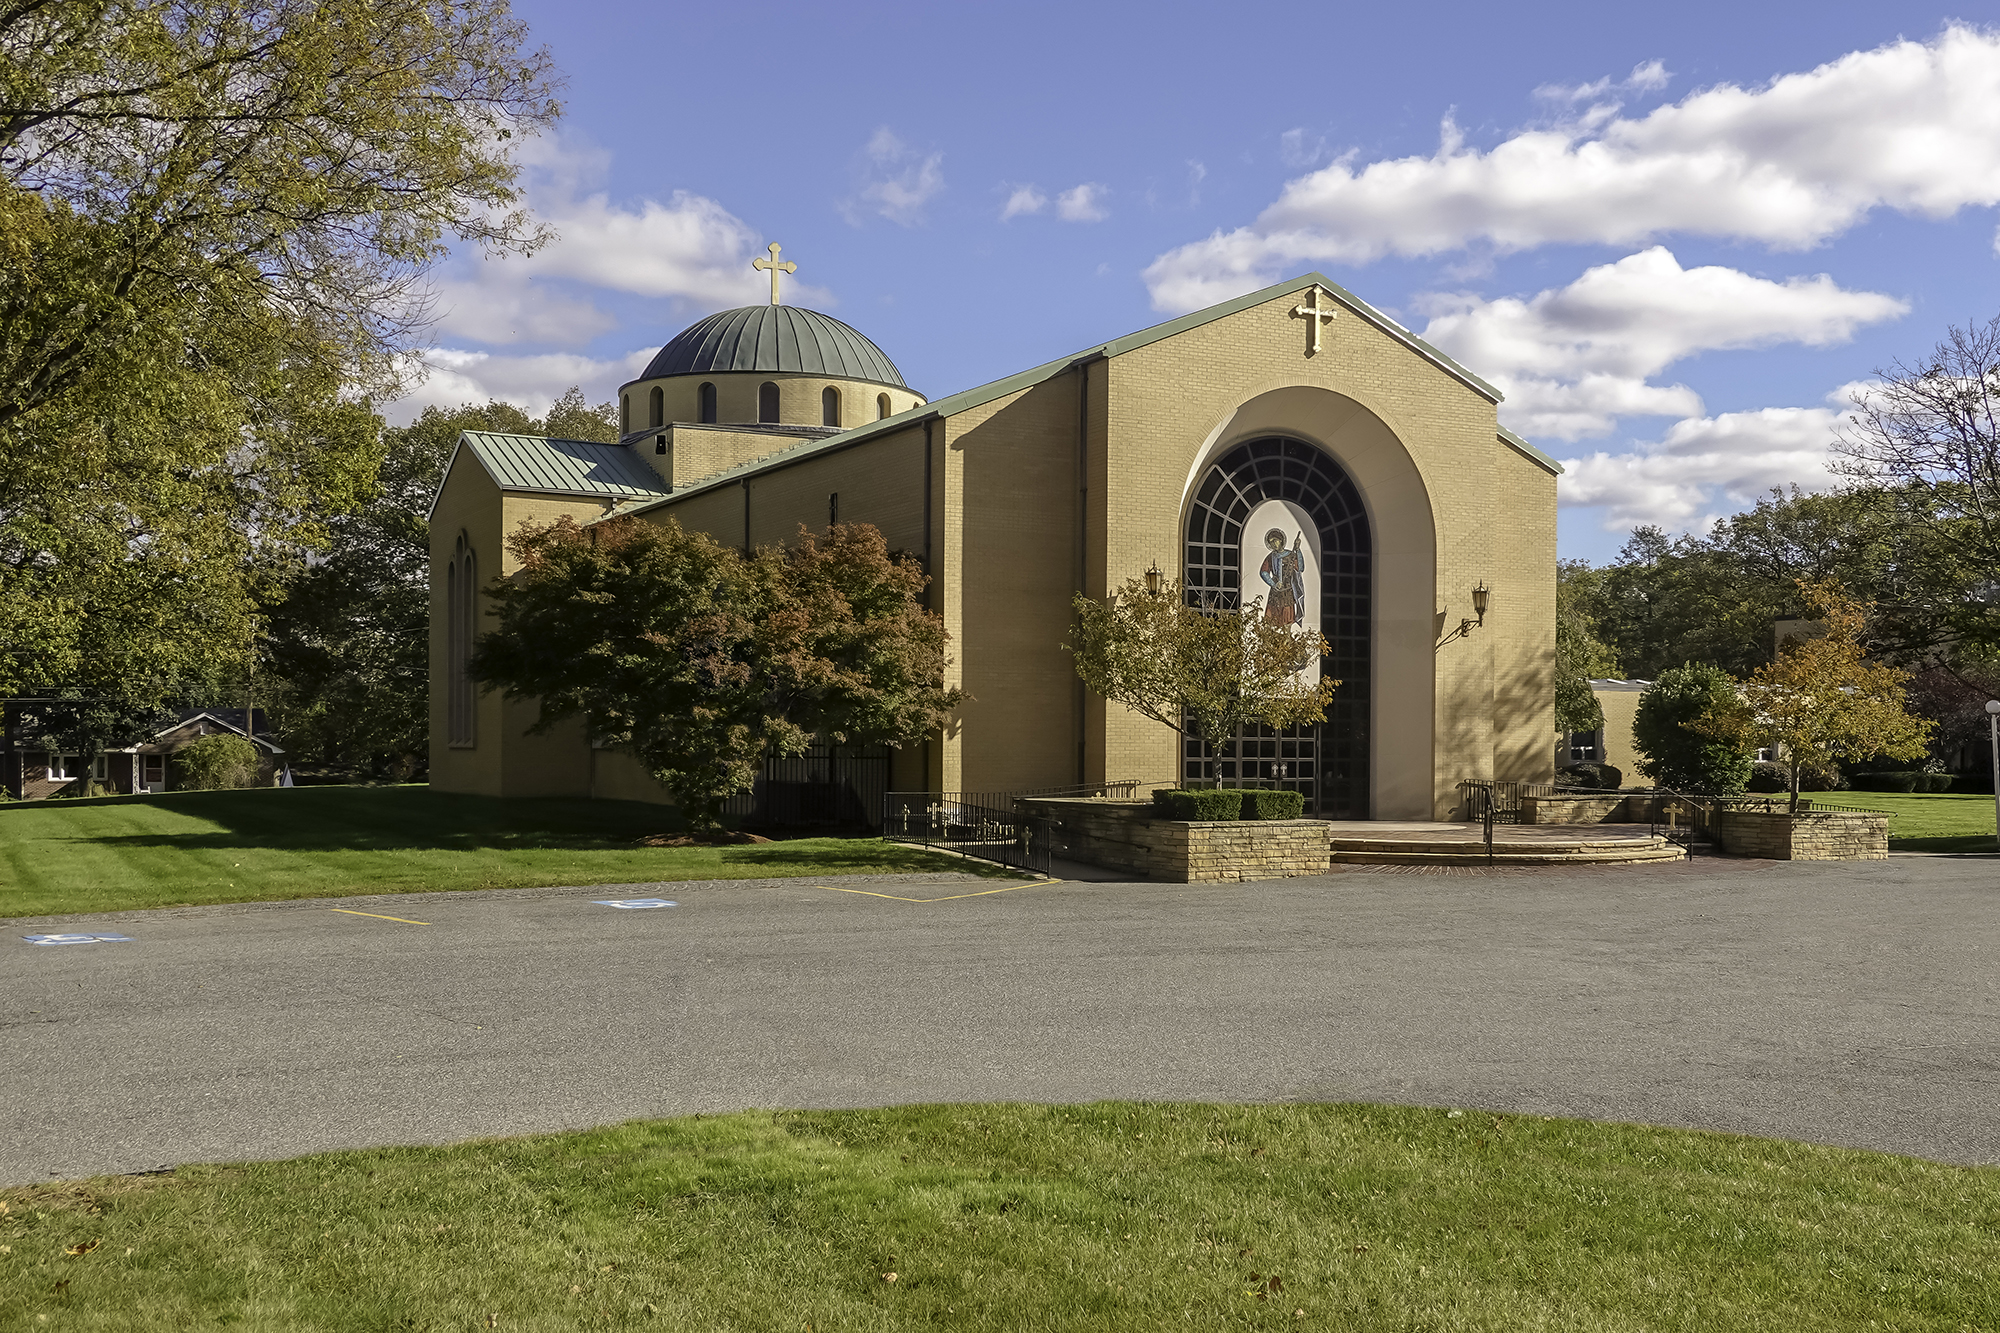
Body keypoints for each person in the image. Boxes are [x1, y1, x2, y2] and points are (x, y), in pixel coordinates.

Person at [1259, 528, 1306, 625]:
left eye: (1275, 541)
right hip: (1275, 593)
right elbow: (1264, 572)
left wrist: (1297, 550)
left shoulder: (1291, 555)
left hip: (1287, 592)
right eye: (1271, 542)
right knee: (1269, 622)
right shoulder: (1271, 557)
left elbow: (1300, 568)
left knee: (1287, 622)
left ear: (1280, 540)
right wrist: (1273, 584)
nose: (1273, 544)